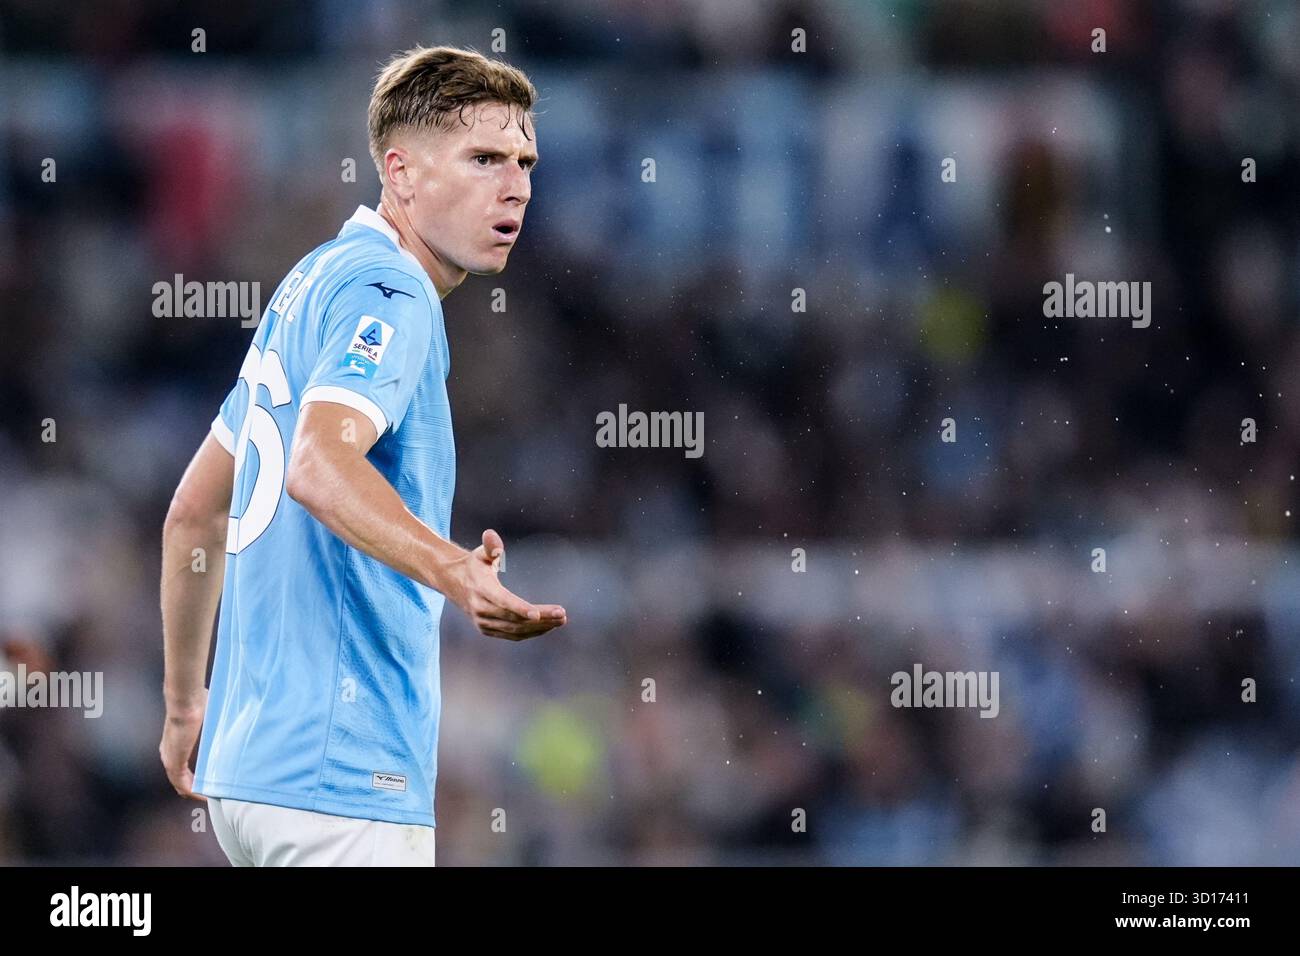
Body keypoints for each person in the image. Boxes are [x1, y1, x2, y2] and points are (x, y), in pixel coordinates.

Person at [158, 45, 566, 867]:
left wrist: (182, 706)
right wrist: (455, 570)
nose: (515, 183)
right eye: (483, 158)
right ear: (400, 171)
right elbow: (316, 463)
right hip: (344, 777)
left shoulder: (312, 283)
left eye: (523, 160)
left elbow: (192, 511)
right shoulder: (393, 292)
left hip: (252, 775)